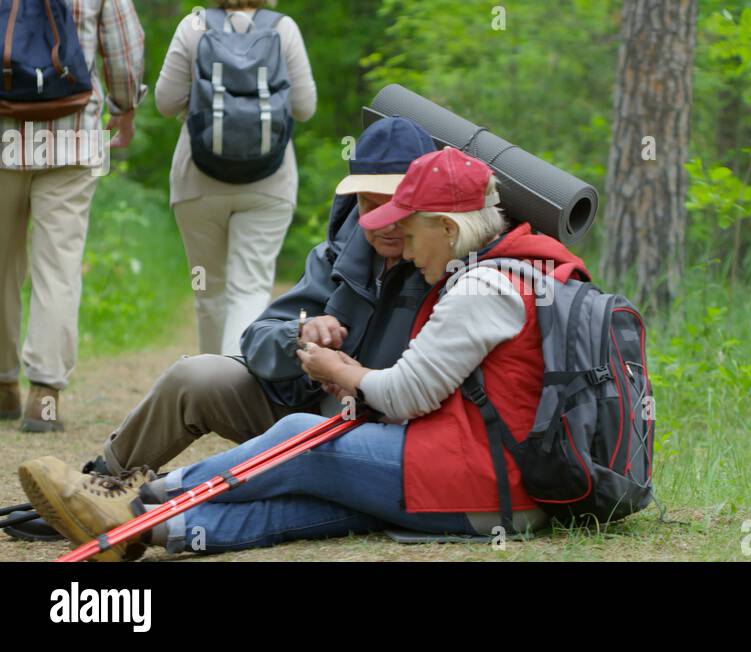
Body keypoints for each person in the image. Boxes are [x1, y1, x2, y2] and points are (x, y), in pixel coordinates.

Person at [18, 147, 590, 560]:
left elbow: (403, 395)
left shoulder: (480, 285)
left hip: (473, 475)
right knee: (308, 510)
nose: (401, 242)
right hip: (495, 486)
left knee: (303, 445)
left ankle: (140, 503)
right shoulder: (501, 269)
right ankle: (147, 533)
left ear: (444, 225)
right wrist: (301, 342)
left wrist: (342, 372)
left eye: (410, 229)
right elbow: (266, 336)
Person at [4, 117, 437, 542]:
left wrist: (352, 378)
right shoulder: (338, 254)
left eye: (396, 205)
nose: (384, 221)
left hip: (364, 436)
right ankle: (98, 486)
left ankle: (135, 512)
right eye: (368, 204)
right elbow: (256, 338)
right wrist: (299, 336)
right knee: (195, 375)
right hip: (295, 408)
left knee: (283, 449)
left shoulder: (444, 260)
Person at [0, 0, 146, 433]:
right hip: (73, 137)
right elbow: (124, 47)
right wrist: (125, 107)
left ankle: (3, 384)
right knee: (58, 267)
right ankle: (44, 395)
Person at [154, 0, 317, 356]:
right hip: (269, 183)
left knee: (209, 291)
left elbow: (165, 103)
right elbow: (305, 107)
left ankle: (208, 387)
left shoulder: (193, 27)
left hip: (197, 180)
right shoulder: (282, 28)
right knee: (250, 288)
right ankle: (235, 383)